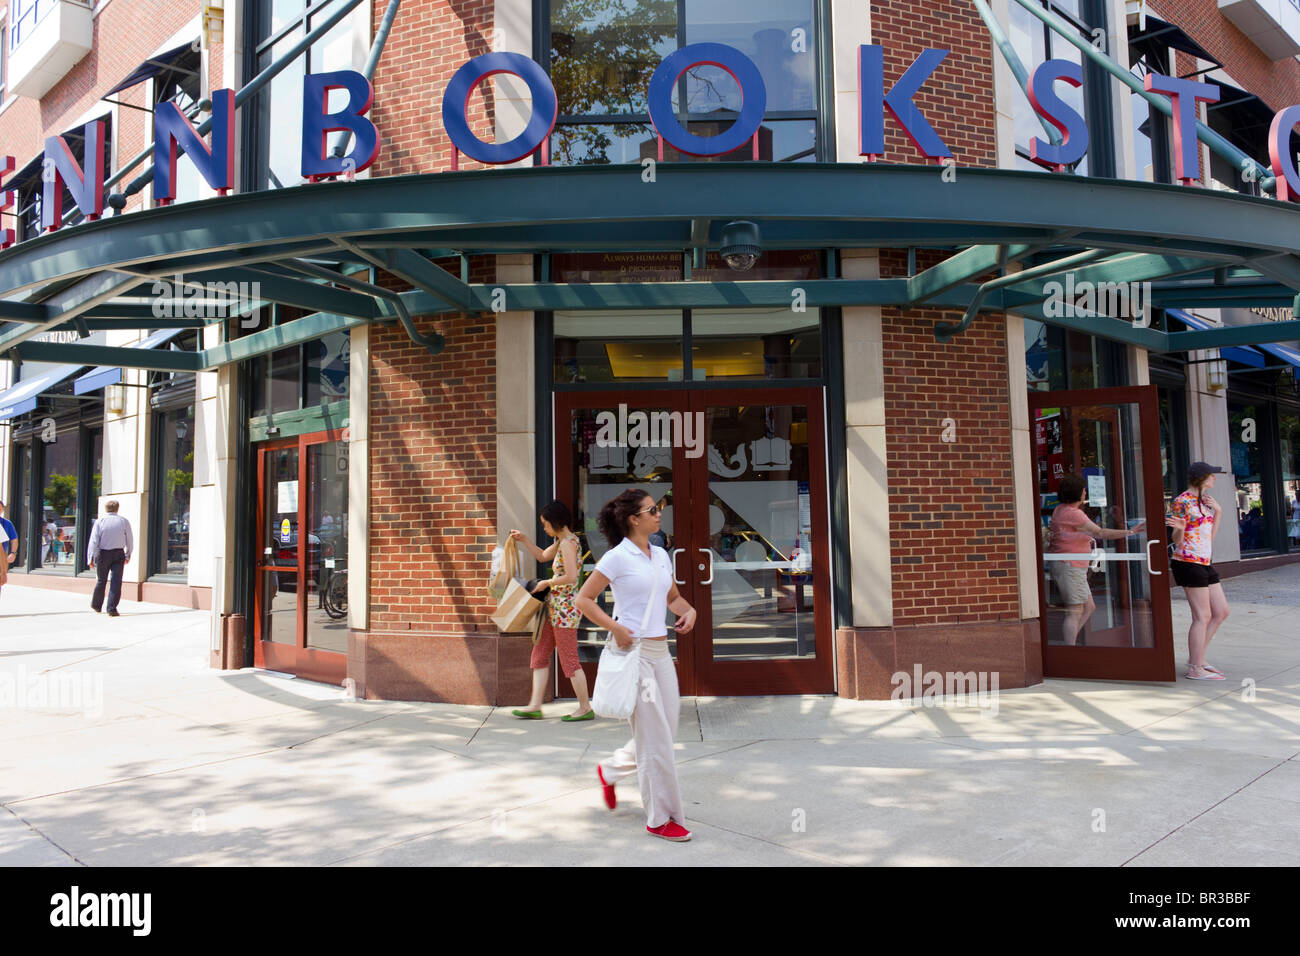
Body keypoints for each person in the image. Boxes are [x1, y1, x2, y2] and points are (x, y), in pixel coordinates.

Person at [575, 489, 697, 842]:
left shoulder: (659, 554)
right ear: (634, 519)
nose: (659, 513)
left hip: (662, 655)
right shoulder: (617, 558)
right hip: (636, 656)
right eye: (652, 509)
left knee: (663, 733)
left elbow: (672, 598)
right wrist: (614, 627)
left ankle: (610, 770)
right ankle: (660, 818)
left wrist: (689, 610)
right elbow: (584, 598)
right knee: (656, 740)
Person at [508, 500, 593, 721]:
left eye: (546, 524)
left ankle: (585, 708)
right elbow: (542, 556)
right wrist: (524, 539)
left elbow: (572, 577)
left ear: (556, 522)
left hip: (564, 610)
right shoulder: (563, 540)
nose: (545, 528)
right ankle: (535, 704)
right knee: (540, 654)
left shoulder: (567, 543)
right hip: (554, 609)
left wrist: (547, 582)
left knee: (569, 660)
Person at [1047, 474, 1145, 646]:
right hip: (1070, 566)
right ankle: (1069, 650)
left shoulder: (1060, 509)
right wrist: (1130, 532)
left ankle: (1070, 643)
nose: (1086, 492)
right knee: (1075, 610)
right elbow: (1099, 532)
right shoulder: (1073, 513)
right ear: (1078, 493)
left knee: (1088, 607)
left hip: (1072, 565)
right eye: (1084, 490)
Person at [1166, 462, 1230, 680]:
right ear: (1202, 477)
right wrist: (1181, 530)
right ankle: (1195, 667)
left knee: (1221, 611)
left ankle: (1199, 658)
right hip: (1187, 561)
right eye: (1212, 475)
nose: (1215, 478)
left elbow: (1209, 536)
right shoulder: (1182, 501)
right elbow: (1175, 538)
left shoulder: (1206, 501)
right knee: (1202, 616)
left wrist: (1218, 511)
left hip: (1203, 561)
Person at [87, 500, 133, 617]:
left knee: (101, 580)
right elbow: (130, 539)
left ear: (106, 509)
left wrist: (90, 557)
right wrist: (128, 554)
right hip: (119, 553)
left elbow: (94, 541)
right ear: (117, 508)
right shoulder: (124, 521)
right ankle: (112, 608)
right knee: (116, 581)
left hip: (103, 553)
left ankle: (97, 605)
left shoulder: (100, 521)